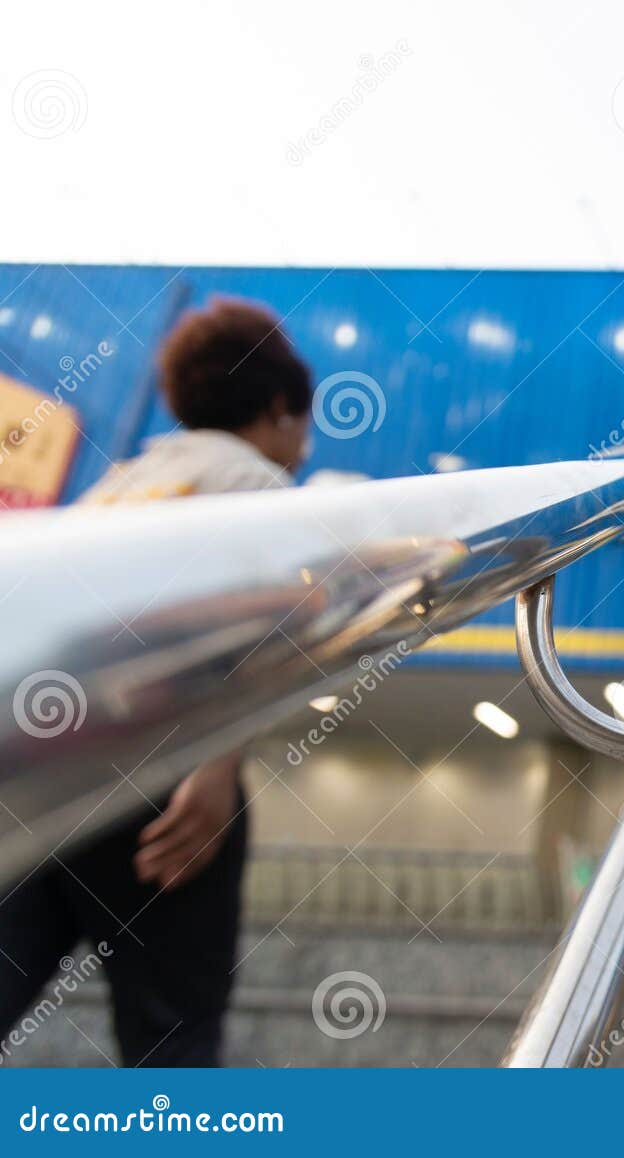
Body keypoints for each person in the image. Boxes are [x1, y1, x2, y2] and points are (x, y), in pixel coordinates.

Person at [0, 298, 312, 1066]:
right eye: (304, 423)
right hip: (163, 783)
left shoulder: (119, 485)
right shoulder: (253, 481)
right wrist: (216, 769)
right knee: (172, 1041)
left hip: (54, 781)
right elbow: (266, 628)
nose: (303, 446)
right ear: (278, 406)